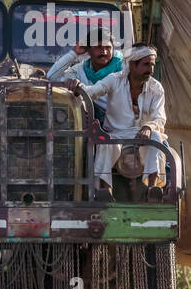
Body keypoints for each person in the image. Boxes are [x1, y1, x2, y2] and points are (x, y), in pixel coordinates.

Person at [64, 44, 167, 195]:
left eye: (152, 65)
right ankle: (105, 192)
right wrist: (77, 86)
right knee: (105, 142)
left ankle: (152, 189)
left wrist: (148, 127)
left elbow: (159, 117)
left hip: (142, 135)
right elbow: (91, 93)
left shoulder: (156, 88)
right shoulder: (114, 80)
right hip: (116, 134)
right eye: (146, 65)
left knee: (156, 137)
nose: (150, 70)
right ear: (132, 64)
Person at [46, 25, 122, 123]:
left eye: (108, 47)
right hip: (89, 126)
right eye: (98, 47)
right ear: (88, 50)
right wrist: (74, 53)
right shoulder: (79, 70)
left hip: (118, 126)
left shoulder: (124, 69)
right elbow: (51, 77)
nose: (104, 52)